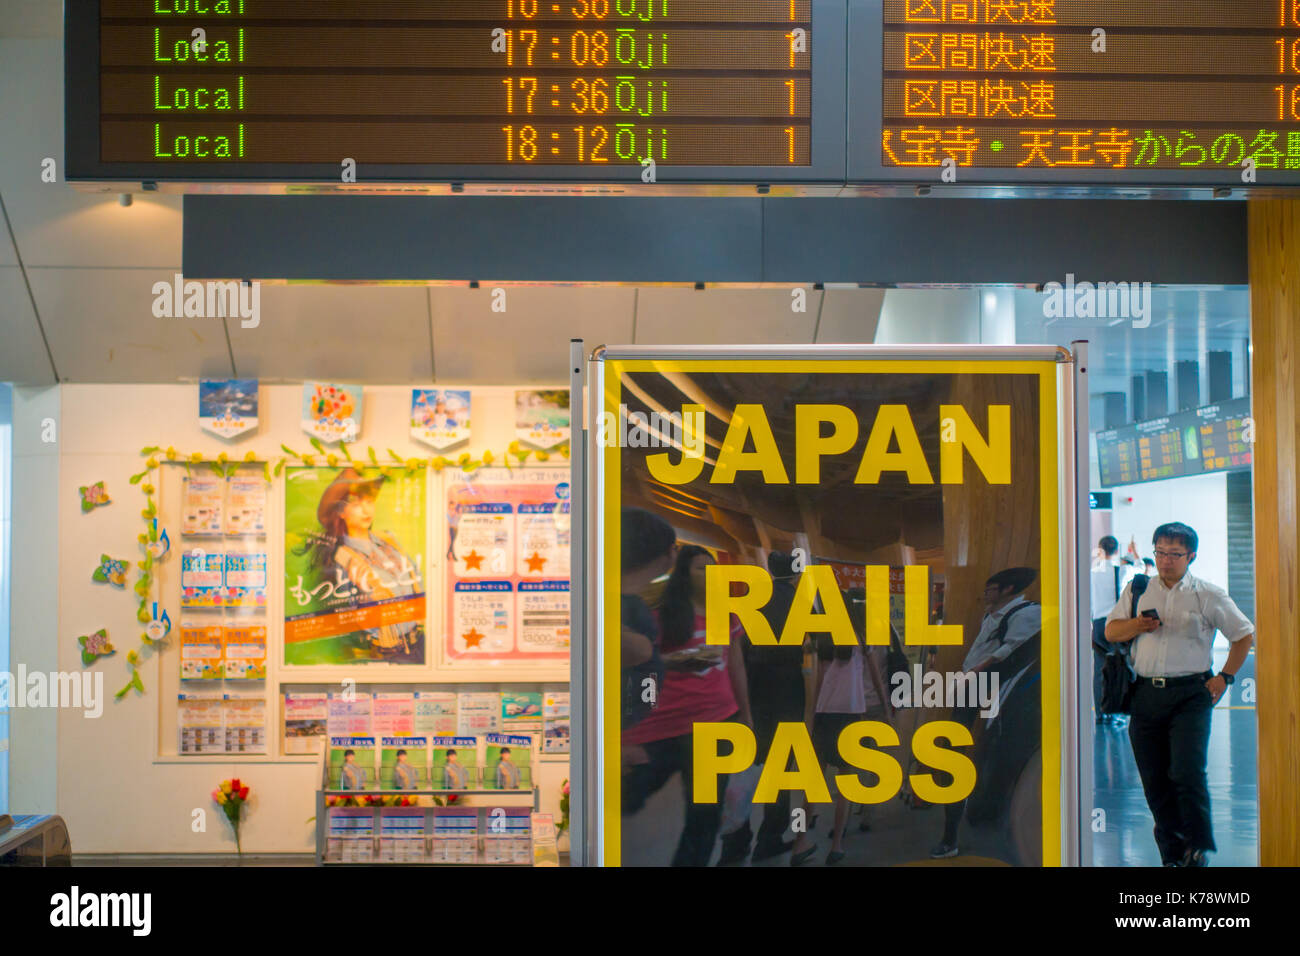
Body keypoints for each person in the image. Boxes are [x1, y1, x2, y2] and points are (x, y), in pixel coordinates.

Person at [1104, 522, 1254, 867]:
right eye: (1160, 552)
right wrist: (1138, 625)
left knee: (1187, 772)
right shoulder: (1137, 589)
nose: (1166, 560)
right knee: (1154, 779)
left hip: (1191, 694)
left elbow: (1243, 634)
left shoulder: (1208, 594)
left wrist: (1225, 677)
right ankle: (1173, 853)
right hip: (1144, 694)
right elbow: (1112, 631)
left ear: (1191, 556)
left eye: (1174, 554)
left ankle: (1197, 848)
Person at [622, 544, 754, 867]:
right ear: (684, 575)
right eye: (701, 568)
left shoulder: (727, 615)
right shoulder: (659, 617)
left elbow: (735, 667)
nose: (710, 574)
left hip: (714, 726)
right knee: (625, 797)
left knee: (704, 819)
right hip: (663, 726)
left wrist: (746, 715)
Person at [931, 567, 1040, 860]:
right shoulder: (993, 616)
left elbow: (1007, 650)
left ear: (1008, 589)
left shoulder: (1028, 614)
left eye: (992, 588)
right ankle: (952, 829)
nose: (986, 594)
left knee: (978, 754)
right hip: (978, 686)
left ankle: (958, 830)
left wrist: (977, 671)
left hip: (999, 691)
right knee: (956, 751)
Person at [790, 588, 893, 866]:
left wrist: (809, 720)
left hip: (824, 716)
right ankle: (836, 846)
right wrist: (886, 709)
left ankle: (799, 843)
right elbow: (876, 678)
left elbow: (815, 683)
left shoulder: (822, 639)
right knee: (846, 784)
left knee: (814, 784)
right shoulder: (862, 638)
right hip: (851, 716)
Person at [717, 550, 807, 864]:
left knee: (745, 763)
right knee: (780, 766)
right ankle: (769, 837)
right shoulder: (799, 599)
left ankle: (735, 839)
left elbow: (737, 645)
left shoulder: (754, 597)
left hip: (755, 686)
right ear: (795, 573)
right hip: (787, 686)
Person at [296, 468, 425, 661]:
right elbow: (351, 616)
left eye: (369, 501)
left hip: (420, 643)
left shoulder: (388, 540)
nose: (366, 510)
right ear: (340, 511)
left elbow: (417, 579)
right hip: (389, 654)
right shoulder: (343, 559)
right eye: (356, 503)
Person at [1090, 535, 1128, 725]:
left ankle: (1100, 713)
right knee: (1119, 668)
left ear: (1100, 548)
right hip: (1115, 624)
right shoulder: (1119, 570)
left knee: (1099, 670)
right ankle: (1115, 711)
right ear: (1115, 550)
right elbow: (1138, 565)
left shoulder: (1091, 572)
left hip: (1096, 624)